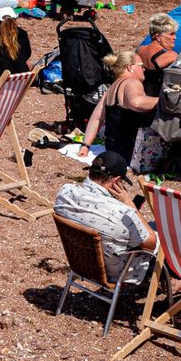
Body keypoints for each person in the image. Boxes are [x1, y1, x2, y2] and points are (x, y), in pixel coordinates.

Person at [51, 150, 157, 284]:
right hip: (119, 273)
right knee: (170, 238)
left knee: (149, 227)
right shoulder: (123, 212)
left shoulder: (64, 192)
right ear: (116, 181)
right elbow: (151, 245)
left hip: (82, 265)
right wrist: (131, 206)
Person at [82, 49, 157, 170]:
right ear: (130, 67)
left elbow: (96, 118)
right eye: (141, 66)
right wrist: (164, 101)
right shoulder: (132, 82)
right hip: (132, 153)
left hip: (113, 150)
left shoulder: (112, 87)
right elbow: (137, 103)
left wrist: (85, 145)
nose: (144, 69)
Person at [138, 13, 180, 94]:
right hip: (161, 98)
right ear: (158, 37)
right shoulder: (171, 56)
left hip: (144, 93)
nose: (175, 37)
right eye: (171, 34)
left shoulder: (140, 50)